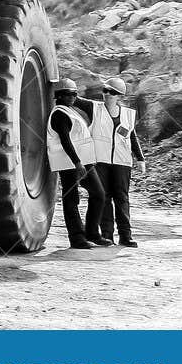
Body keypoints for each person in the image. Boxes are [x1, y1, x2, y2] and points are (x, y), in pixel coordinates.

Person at [89, 76, 147, 247]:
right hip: (100, 161)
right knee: (104, 198)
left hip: (122, 162)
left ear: (120, 96)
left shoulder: (127, 115)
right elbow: (76, 100)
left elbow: (132, 136)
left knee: (122, 198)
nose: (107, 94)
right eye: (105, 91)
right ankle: (107, 235)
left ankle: (125, 236)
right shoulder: (95, 109)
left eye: (112, 92)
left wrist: (140, 158)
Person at [48, 79, 106, 248]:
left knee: (99, 194)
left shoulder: (71, 110)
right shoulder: (60, 114)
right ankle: (77, 238)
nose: (74, 97)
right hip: (70, 163)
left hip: (83, 162)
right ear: (59, 96)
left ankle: (93, 233)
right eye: (69, 94)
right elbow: (66, 141)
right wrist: (77, 163)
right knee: (72, 199)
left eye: (75, 94)